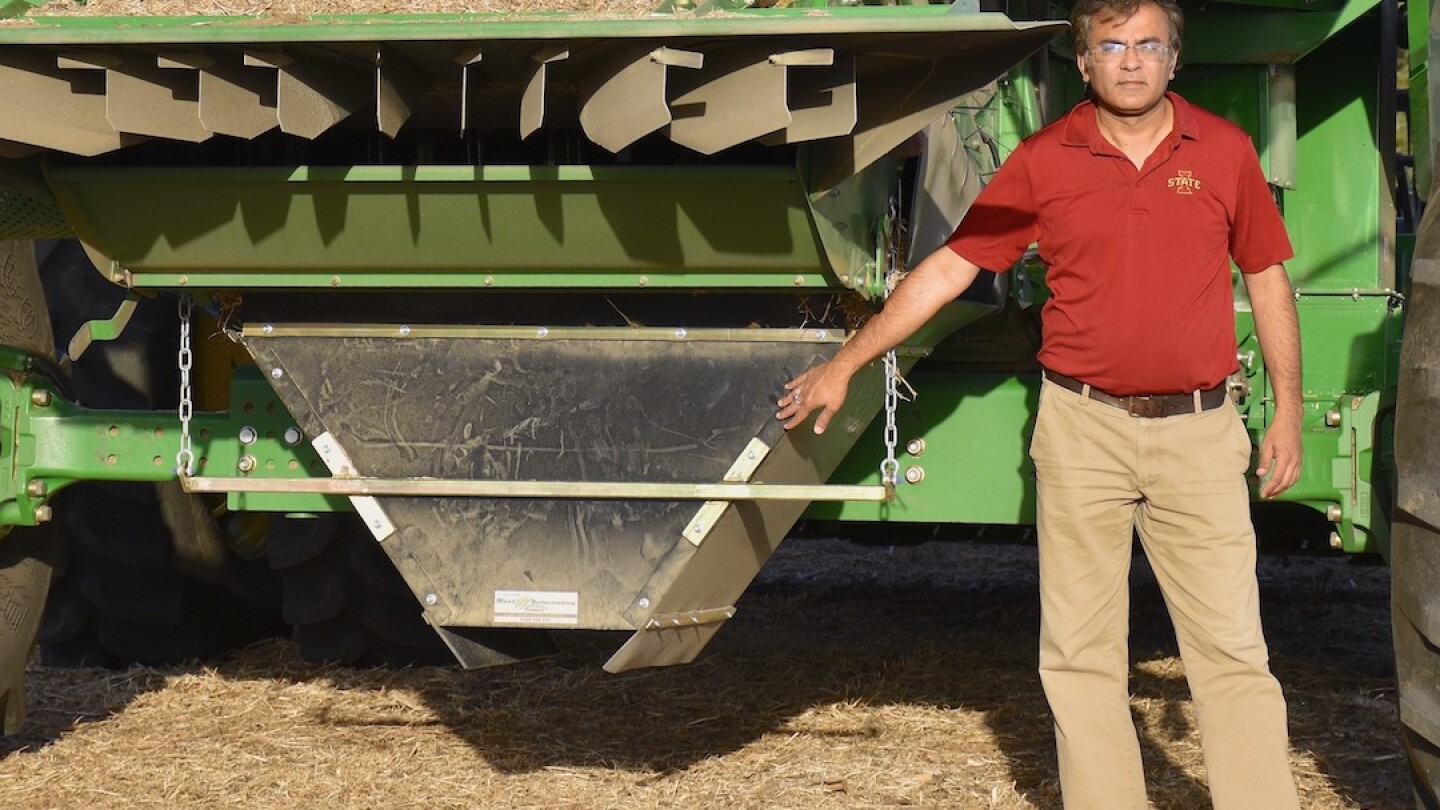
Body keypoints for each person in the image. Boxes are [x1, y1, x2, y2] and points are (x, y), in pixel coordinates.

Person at [776, 0, 1303, 806]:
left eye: (1149, 44)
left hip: (1199, 434)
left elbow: (1267, 278)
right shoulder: (1044, 159)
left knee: (1232, 652)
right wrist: (849, 361)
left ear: (1175, 60)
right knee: (1081, 655)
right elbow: (952, 267)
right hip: (1082, 431)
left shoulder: (1225, 151)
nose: (1132, 60)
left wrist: (1288, 411)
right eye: (1112, 46)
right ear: (1083, 64)